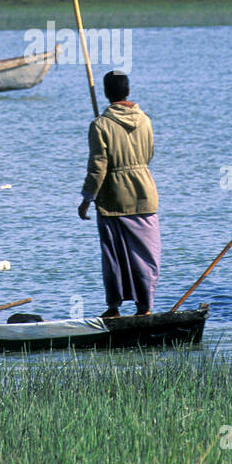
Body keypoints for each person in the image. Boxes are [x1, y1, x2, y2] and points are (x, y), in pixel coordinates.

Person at [78, 70, 162, 318]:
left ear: (106, 93)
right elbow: (148, 154)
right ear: (127, 91)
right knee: (146, 255)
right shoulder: (145, 120)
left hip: (113, 198)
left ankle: (114, 308)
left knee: (114, 256)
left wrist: (87, 198)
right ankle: (145, 307)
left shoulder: (100, 125)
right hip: (145, 193)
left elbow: (98, 167)